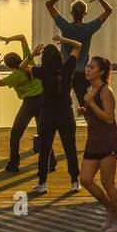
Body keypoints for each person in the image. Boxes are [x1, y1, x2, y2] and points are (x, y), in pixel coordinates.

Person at [79, 56, 117, 232]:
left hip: (108, 140)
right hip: (93, 140)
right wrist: (85, 111)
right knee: (85, 179)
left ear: (100, 71)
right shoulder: (89, 88)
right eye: (87, 66)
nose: (87, 69)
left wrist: (91, 103)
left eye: (91, 67)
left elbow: (109, 118)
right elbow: (95, 117)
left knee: (108, 183)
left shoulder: (105, 91)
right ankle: (110, 210)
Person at [31, 34, 83, 196]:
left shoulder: (41, 71)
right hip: (65, 113)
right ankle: (75, 181)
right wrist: (64, 40)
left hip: (47, 114)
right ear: (60, 57)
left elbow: (22, 66)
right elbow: (78, 45)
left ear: (44, 59)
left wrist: (33, 55)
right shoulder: (68, 67)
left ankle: (42, 183)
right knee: (70, 148)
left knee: (45, 149)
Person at [46, 0, 113, 112]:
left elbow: (48, 5)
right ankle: (94, 126)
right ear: (85, 13)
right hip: (82, 73)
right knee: (87, 105)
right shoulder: (89, 29)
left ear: (71, 13)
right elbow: (109, 11)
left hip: (66, 70)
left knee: (61, 104)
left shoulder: (65, 27)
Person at [0, 35, 46, 173]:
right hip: (42, 100)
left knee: (15, 134)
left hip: (29, 104)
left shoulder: (15, 76)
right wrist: (9, 39)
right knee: (44, 133)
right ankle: (50, 162)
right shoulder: (29, 60)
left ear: (9, 66)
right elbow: (22, 37)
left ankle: (14, 164)